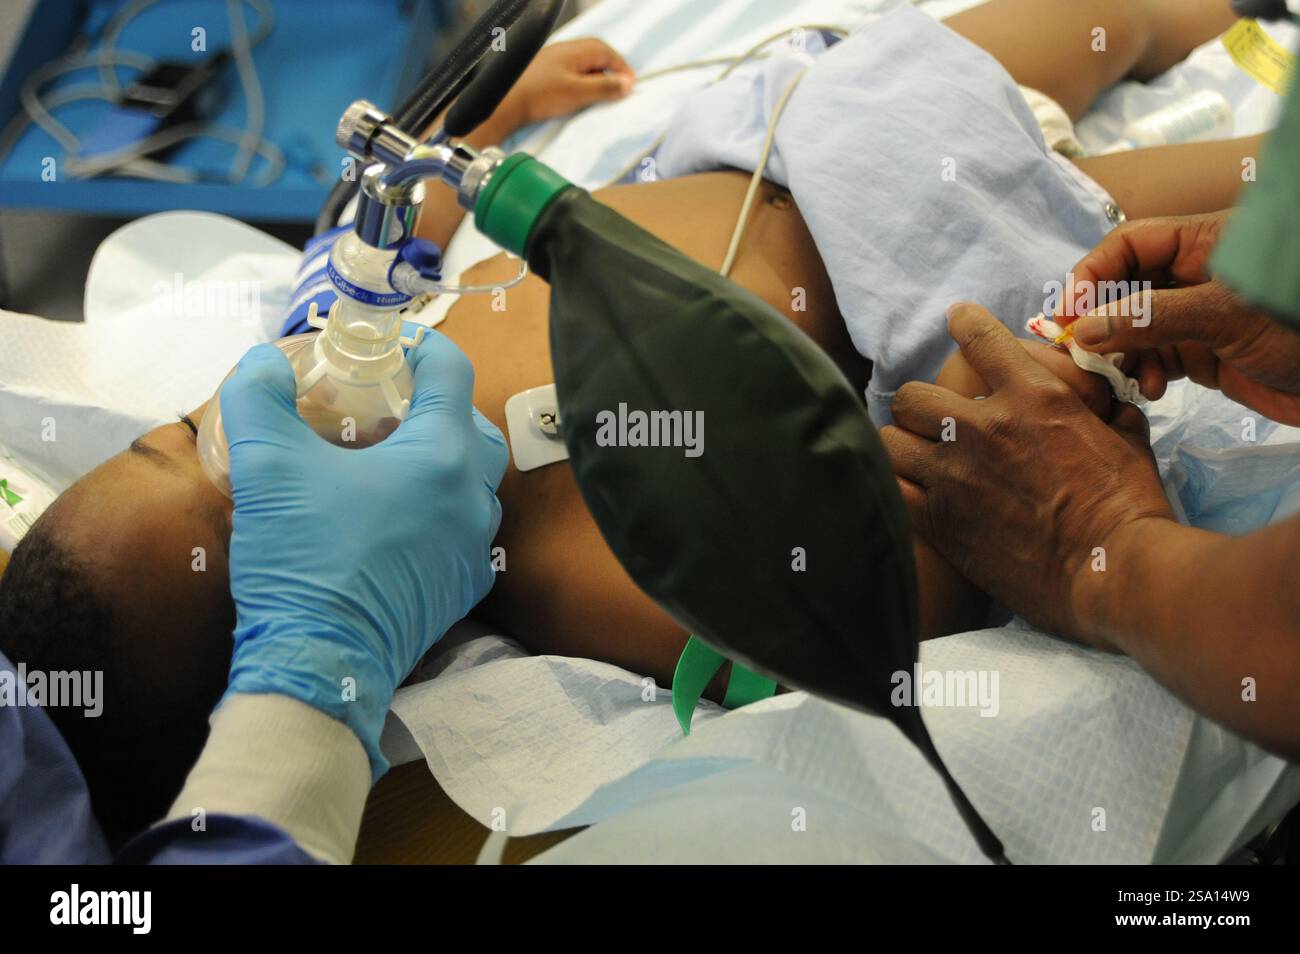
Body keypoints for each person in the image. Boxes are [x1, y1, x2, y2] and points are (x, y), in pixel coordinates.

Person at [0, 2, 1270, 844]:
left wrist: (492, 117)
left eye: (184, 422)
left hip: (778, 125)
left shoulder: (320, 322)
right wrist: (1047, 403)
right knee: (1257, 220)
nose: (254, 404)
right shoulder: (578, 571)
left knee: (1106, 19)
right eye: (239, 486)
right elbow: (898, 587)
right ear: (365, 608)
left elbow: (377, 213)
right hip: (950, 269)